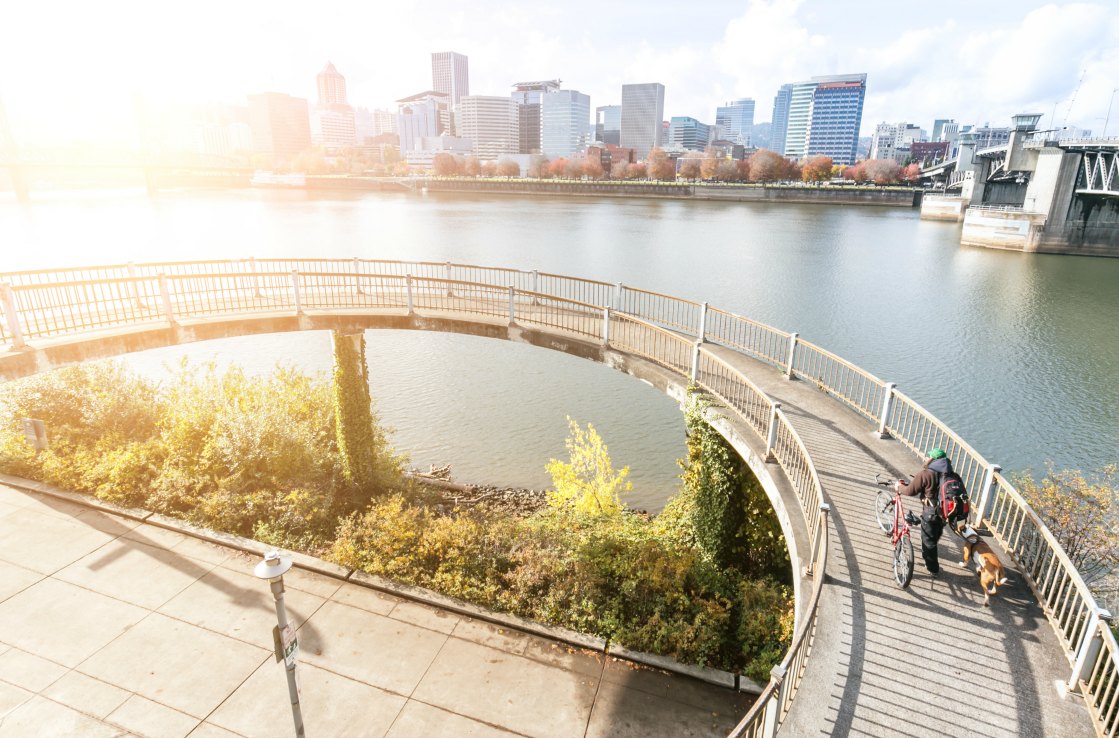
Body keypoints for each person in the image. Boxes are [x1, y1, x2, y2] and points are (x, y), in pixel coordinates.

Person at [896, 448, 954, 576]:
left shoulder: (926, 474)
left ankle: (933, 569)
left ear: (933, 459)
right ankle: (927, 555)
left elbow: (910, 491)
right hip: (946, 512)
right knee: (936, 532)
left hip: (931, 512)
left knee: (928, 542)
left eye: (929, 457)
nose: (927, 458)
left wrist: (899, 487)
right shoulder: (950, 473)